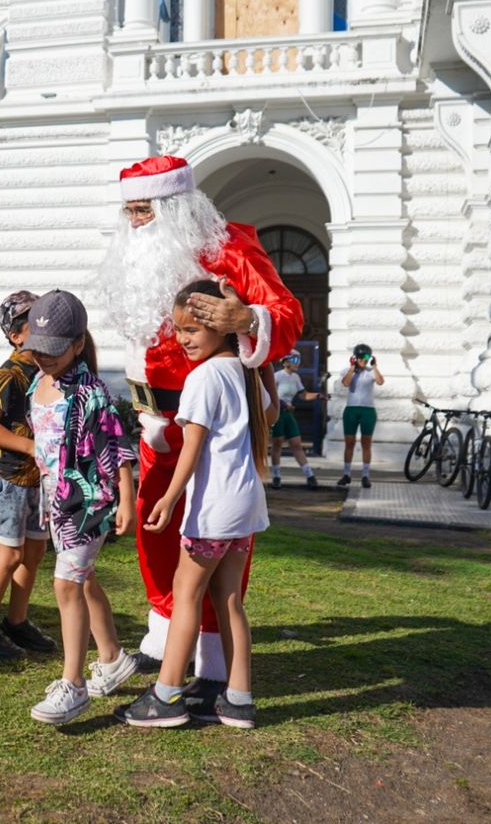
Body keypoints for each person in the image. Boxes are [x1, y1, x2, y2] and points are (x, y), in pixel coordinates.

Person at [98, 154, 302, 719]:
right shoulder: (134, 257)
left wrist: (246, 321)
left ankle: (209, 670)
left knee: (207, 540)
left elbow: (286, 315)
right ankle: (168, 642)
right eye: (129, 211)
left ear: (175, 208)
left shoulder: (228, 249)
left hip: (210, 429)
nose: (135, 222)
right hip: (152, 425)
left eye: (145, 210)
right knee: (156, 535)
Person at [119, 280, 269, 728]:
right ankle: (238, 698)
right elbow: (272, 414)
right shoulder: (242, 369)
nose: (183, 339)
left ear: (222, 327)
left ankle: (166, 696)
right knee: (229, 601)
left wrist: (167, 497)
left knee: (185, 595)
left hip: (213, 512)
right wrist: (260, 359)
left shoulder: (203, 377)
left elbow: (191, 446)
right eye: (179, 329)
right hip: (244, 509)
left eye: (193, 329)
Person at [21, 290, 139, 725]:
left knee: (66, 585)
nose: (44, 358)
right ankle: (111, 658)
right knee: (84, 581)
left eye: (53, 351)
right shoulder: (40, 382)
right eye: (38, 348)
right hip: (58, 497)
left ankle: (73, 686)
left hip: (89, 499)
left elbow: (117, 447)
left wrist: (127, 499)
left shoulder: (91, 392)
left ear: (77, 344)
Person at [0, 291, 56, 659]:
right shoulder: (8, 376)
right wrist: (31, 447)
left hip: (36, 479)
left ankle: (16, 622)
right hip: (7, 479)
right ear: (16, 335)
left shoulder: (47, 371)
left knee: (34, 552)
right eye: (35, 324)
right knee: (11, 556)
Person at [271, 350, 325, 490]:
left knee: (296, 444)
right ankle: (276, 476)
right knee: (277, 444)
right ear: (286, 361)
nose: (298, 363)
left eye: (298, 360)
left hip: (289, 414)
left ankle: (310, 475)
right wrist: (283, 404)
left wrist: (318, 395)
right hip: (279, 413)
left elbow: (303, 395)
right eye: (295, 360)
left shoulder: (295, 377)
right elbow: (269, 395)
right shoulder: (277, 376)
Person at [338, 343, 384, 488]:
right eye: (362, 357)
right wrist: (353, 367)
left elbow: (380, 381)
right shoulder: (348, 370)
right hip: (351, 410)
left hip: (368, 410)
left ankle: (365, 475)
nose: (364, 360)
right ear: (355, 358)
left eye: (367, 357)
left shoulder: (371, 372)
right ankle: (346, 474)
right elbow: (345, 383)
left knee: (366, 443)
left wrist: (375, 366)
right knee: (349, 442)